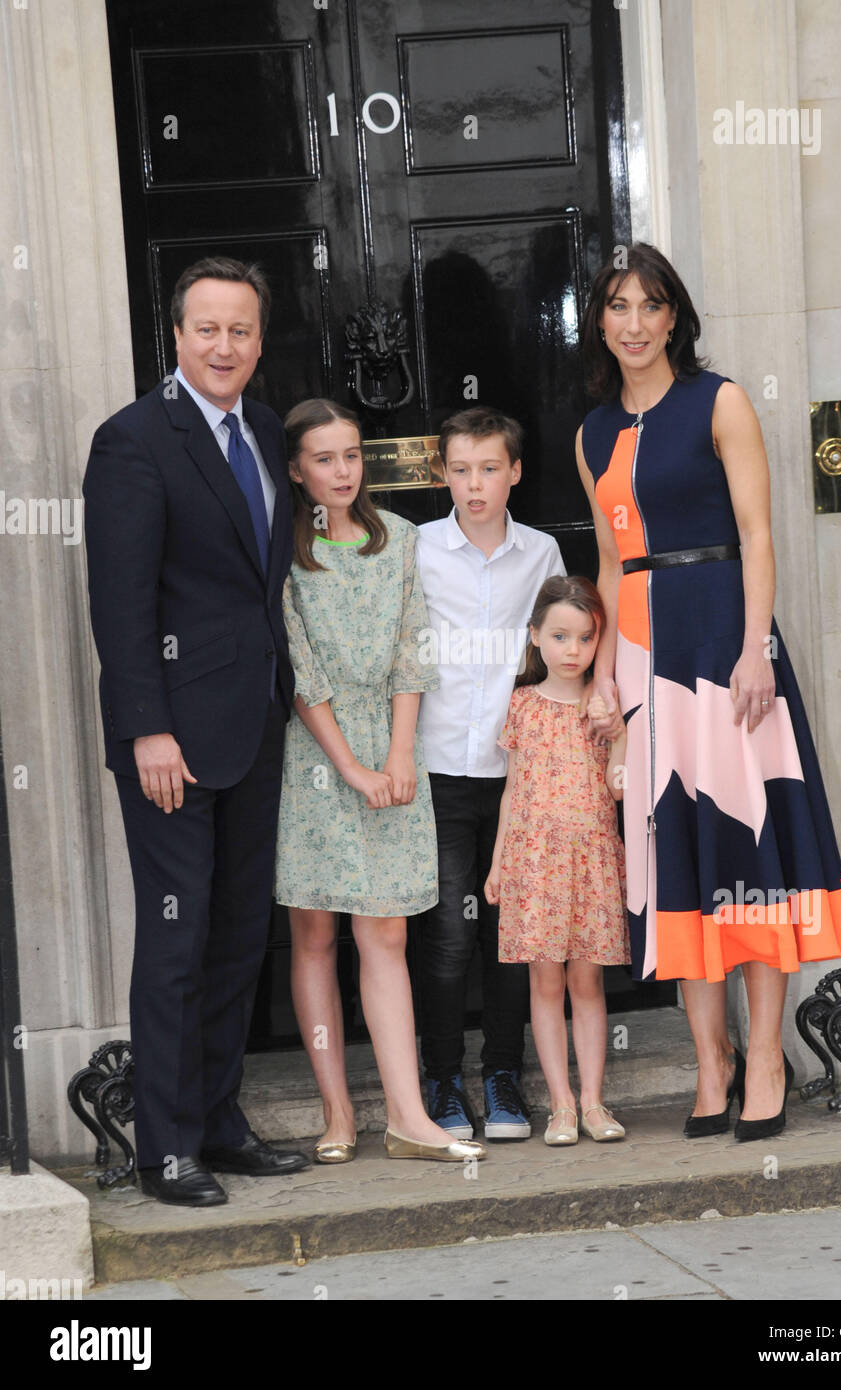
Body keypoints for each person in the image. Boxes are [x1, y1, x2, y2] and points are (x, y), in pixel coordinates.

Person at [577, 243, 841, 1142]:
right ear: (602, 321)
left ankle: (766, 1055)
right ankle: (712, 1063)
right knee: (679, 854)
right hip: (642, 661)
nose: (633, 324)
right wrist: (597, 680)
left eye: (648, 307)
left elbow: (757, 535)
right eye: (617, 307)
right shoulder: (590, 434)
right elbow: (608, 560)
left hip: (723, 645)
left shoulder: (718, 401)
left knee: (747, 838)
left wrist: (753, 649)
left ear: (673, 318)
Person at [82, 257, 310, 1206]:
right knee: (176, 942)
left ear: (260, 340)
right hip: (172, 742)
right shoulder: (133, 440)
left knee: (237, 937)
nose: (225, 346)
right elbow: (121, 601)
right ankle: (165, 1148)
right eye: (207, 328)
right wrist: (147, 732)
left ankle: (219, 1123)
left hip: (255, 724)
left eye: (242, 330)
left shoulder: (262, 427)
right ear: (175, 336)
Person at [274, 398, 485, 1164]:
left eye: (352, 455)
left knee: (387, 929)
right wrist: (351, 768)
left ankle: (407, 1116)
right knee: (316, 930)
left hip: (394, 744)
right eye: (324, 458)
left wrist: (397, 757)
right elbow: (298, 669)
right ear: (296, 469)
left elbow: (411, 648)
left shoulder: (397, 539)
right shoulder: (284, 549)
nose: (341, 471)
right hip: (316, 755)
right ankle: (337, 1112)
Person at [415, 406, 567, 1141]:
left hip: (518, 773)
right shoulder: (414, 550)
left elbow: (564, 647)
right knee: (446, 934)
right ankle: (441, 1079)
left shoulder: (540, 555)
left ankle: (503, 1075)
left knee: (512, 931)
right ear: (441, 472)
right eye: (459, 469)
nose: (474, 486)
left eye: (488, 469)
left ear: (513, 471)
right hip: (438, 766)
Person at [484, 577, 629, 1145]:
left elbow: (618, 791)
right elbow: (513, 790)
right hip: (534, 861)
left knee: (586, 982)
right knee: (544, 981)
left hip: (591, 857)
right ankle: (561, 1107)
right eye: (561, 636)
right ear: (535, 637)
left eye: (586, 638)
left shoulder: (604, 711)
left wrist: (617, 734)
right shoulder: (523, 704)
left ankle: (594, 1102)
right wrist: (498, 864)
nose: (574, 650)